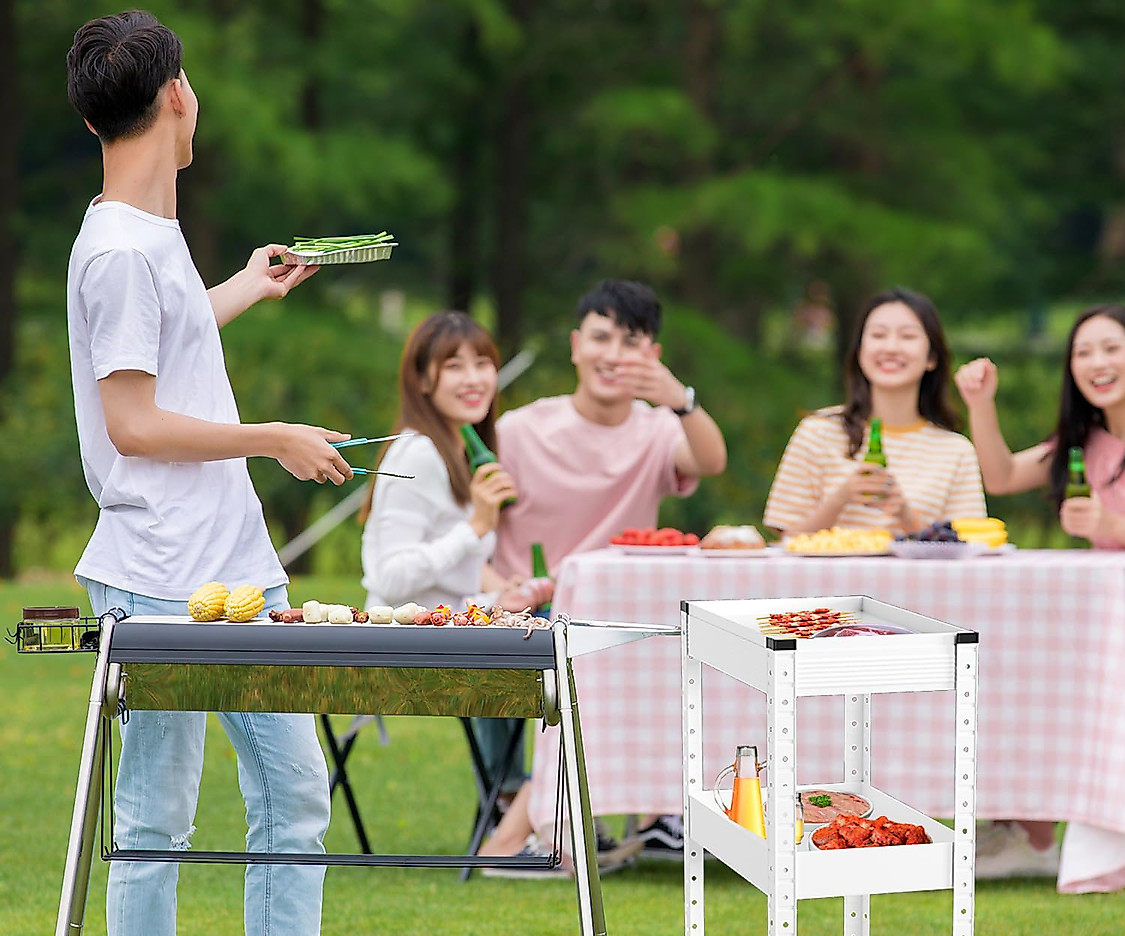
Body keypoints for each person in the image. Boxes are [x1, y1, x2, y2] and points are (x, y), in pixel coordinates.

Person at [65, 10, 432, 936]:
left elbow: (163, 357)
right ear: (176, 96)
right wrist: (273, 437)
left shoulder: (144, 233)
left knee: (291, 784)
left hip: (235, 563)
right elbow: (132, 423)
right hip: (156, 566)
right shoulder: (124, 252)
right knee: (155, 807)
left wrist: (242, 290)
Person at [479, 279, 728, 872]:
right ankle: (538, 827)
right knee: (578, 653)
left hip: (614, 619)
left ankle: (627, 815)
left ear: (653, 356)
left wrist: (681, 400)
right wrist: (498, 591)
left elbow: (711, 461)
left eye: (631, 341)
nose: (612, 354)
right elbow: (474, 532)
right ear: (574, 345)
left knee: (685, 645)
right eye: (600, 337)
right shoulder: (519, 429)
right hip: (522, 610)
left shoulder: (659, 428)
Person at [956, 303, 1125, 877]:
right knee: (1032, 692)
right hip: (1106, 622)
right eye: (1083, 352)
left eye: (1111, 348)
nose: (1096, 363)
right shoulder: (1085, 436)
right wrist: (979, 404)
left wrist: (1111, 527)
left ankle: (1058, 842)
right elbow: (1003, 477)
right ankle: (1031, 835)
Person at [358, 311, 551, 809]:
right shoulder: (417, 452)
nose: (475, 378)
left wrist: (505, 586)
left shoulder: (462, 448)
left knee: (544, 618)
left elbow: (460, 568)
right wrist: (477, 526)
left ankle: (526, 800)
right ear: (423, 379)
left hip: (448, 627)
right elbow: (391, 578)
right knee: (546, 637)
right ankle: (521, 803)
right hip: (397, 642)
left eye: (483, 363)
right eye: (455, 366)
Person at [764, 287, 987, 538]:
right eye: (878, 335)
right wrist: (841, 498)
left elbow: (966, 550)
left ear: (932, 357)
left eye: (907, 336)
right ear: (860, 350)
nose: (891, 347)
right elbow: (788, 539)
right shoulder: (817, 432)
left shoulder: (956, 451)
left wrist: (905, 515)